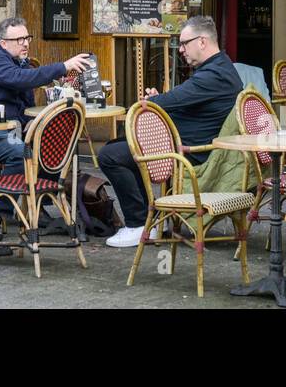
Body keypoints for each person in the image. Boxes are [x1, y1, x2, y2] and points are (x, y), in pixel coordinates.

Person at [98, 15, 243, 248]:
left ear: (203, 42)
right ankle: (153, 220)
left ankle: (139, 225)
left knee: (111, 156)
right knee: (114, 148)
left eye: (185, 43)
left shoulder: (215, 74)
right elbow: (183, 98)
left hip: (189, 152)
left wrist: (156, 100)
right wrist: (160, 100)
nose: (181, 49)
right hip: (181, 142)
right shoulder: (219, 67)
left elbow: (177, 97)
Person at [0, 17, 92, 175]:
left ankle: (43, 196)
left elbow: (27, 101)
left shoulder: (21, 62)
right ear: (3, 43)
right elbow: (19, 78)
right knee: (21, 154)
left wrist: (31, 120)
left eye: (27, 38)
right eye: (19, 39)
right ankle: (2, 199)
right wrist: (64, 66)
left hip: (14, 132)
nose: (25, 43)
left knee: (56, 150)